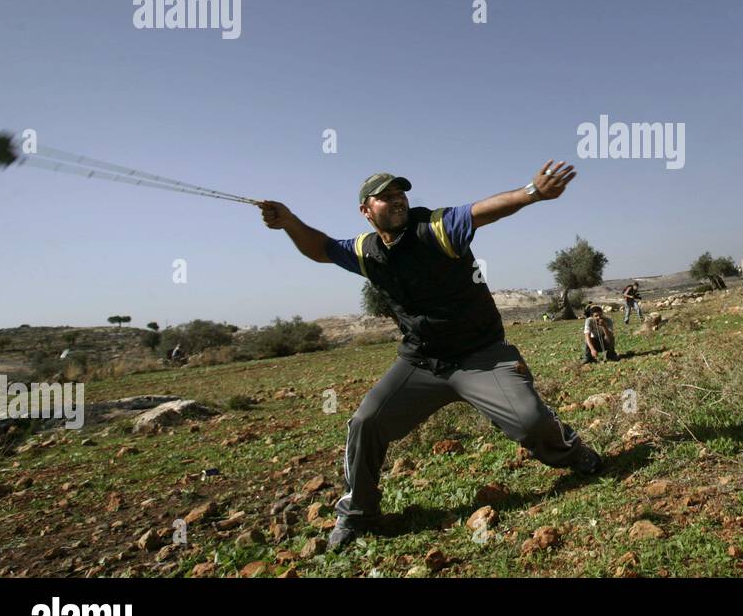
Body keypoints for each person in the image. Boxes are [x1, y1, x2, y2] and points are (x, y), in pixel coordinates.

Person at [258, 160, 604, 551]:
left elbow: (480, 211)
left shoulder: (435, 228)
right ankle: (359, 513)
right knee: (366, 423)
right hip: (421, 362)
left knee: (529, 421)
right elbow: (321, 249)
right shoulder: (366, 251)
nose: (398, 201)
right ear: (365, 210)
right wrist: (288, 222)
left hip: (481, 356)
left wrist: (532, 193)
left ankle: (572, 453)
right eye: (385, 197)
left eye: (400, 194)